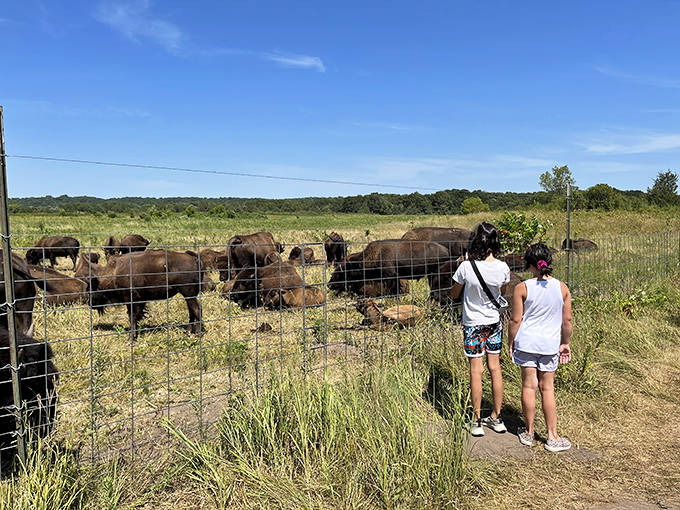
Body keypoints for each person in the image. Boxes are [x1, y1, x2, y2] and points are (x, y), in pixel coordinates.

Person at [508, 243, 573, 452]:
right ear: (549, 262)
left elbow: (515, 320)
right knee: (547, 388)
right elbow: (567, 320)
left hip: (526, 343)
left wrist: (510, 341)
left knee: (528, 386)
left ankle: (528, 432)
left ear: (528, 264)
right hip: (549, 345)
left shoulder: (522, 287)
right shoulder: (562, 288)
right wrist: (565, 343)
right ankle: (553, 436)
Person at [451, 222, 510, 436]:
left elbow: (454, 294)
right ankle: (497, 417)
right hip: (494, 322)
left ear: (475, 241)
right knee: (495, 368)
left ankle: (476, 421)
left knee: (476, 371)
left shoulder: (466, 267)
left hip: (473, 323)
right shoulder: (503, 267)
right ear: (495, 242)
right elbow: (500, 292)